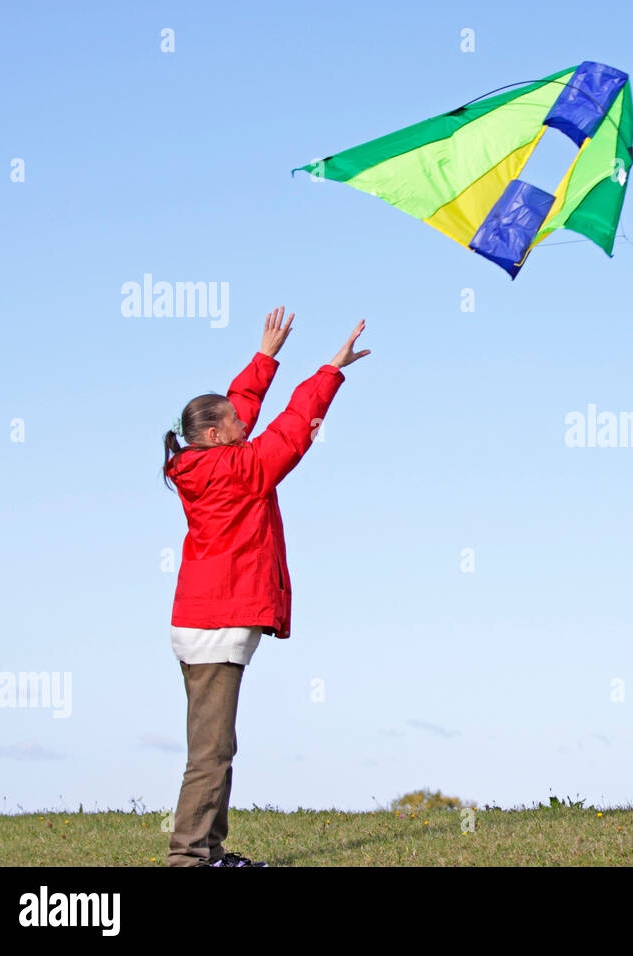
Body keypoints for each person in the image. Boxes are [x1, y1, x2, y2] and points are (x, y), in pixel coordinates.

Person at [160, 307, 369, 866]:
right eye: (232, 423)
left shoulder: (207, 461)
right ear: (213, 435)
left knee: (217, 746)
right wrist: (329, 370)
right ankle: (188, 858)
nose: (241, 425)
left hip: (204, 621)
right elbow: (290, 431)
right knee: (210, 751)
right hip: (215, 628)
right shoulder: (237, 469)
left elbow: (245, 414)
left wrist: (265, 359)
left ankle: (210, 850)